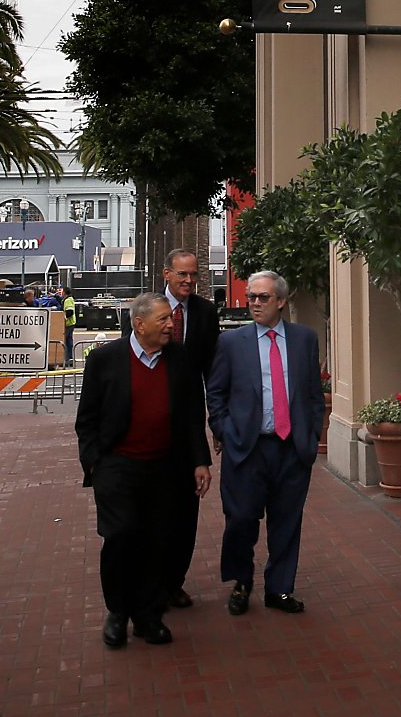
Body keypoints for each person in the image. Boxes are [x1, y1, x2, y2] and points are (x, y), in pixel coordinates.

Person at [75, 291, 211, 650]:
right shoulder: (105, 360)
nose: (170, 324)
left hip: (166, 467)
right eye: (163, 319)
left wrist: (200, 460)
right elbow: (86, 420)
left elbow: (192, 416)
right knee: (120, 539)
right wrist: (94, 463)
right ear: (139, 324)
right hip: (118, 467)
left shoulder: (180, 360)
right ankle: (118, 613)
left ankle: (149, 617)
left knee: (157, 542)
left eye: (170, 319)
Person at [206, 269, 324, 617]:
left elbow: (313, 392)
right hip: (247, 447)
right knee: (241, 519)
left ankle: (280, 588)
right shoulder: (231, 342)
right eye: (251, 297)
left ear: (281, 302)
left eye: (263, 297)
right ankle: (242, 581)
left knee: (287, 521)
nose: (254, 303)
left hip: (291, 448)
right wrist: (224, 429)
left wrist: (313, 431)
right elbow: (216, 393)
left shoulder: (304, 339)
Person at [160, 247, 220, 609]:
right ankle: (152, 580)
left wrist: (215, 421)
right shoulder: (147, 308)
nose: (188, 281)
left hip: (189, 422)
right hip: (152, 423)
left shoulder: (205, 313)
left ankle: (174, 582)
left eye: (194, 275)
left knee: (186, 508)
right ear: (166, 274)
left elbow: (211, 370)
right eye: (182, 274)